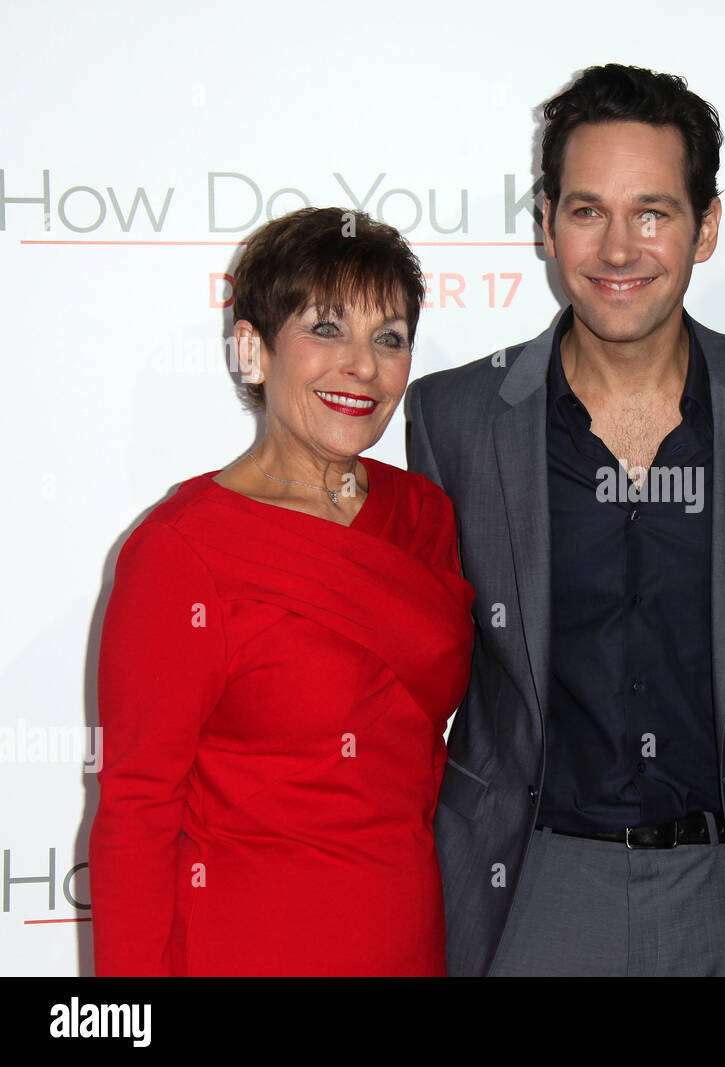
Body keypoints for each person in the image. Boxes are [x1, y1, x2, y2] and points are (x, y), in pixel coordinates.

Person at [406, 63, 725, 976]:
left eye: (653, 213)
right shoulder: (453, 417)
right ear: (545, 223)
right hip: (526, 883)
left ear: (705, 228)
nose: (619, 249)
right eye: (588, 211)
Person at [88, 207, 473, 976]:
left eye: (389, 337)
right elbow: (134, 817)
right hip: (247, 946)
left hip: (409, 940)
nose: (362, 365)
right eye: (326, 328)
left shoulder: (422, 513)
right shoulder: (180, 551)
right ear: (253, 349)